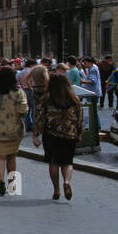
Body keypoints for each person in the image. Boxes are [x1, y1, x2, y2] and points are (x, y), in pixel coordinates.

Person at [33, 72, 82, 201]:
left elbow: (39, 117)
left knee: (53, 162)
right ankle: (66, 182)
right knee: (68, 162)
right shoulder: (74, 98)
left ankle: (56, 190)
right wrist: (79, 133)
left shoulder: (46, 99)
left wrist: (36, 134)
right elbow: (80, 118)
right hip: (69, 134)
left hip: (51, 134)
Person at [0, 65, 28, 196]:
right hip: (15, 129)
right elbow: (23, 109)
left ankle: (0, 179)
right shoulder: (18, 91)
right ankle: (12, 185)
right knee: (12, 156)